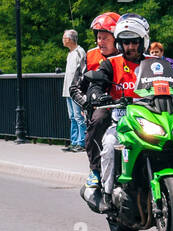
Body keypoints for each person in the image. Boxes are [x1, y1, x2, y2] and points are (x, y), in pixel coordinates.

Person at [82, 13, 152, 212]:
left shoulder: (153, 63)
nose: (130, 47)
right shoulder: (110, 63)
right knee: (111, 144)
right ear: (120, 44)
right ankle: (107, 192)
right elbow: (96, 83)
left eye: (134, 42)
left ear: (143, 42)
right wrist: (96, 94)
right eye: (126, 42)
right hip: (121, 122)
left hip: (150, 118)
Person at [69, 11, 120, 188]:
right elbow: (74, 87)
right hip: (103, 105)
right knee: (98, 120)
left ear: (116, 38)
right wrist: (87, 103)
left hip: (129, 105)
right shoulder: (90, 56)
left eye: (105, 38)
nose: (100, 42)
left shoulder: (128, 55)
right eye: (99, 37)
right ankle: (95, 170)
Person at [61, 29, 87, 153]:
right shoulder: (70, 53)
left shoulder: (79, 52)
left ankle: (81, 142)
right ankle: (74, 142)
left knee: (78, 117)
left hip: (76, 91)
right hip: (67, 90)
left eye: (64, 38)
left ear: (70, 39)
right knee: (72, 117)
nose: (63, 40)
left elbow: (83, 71)